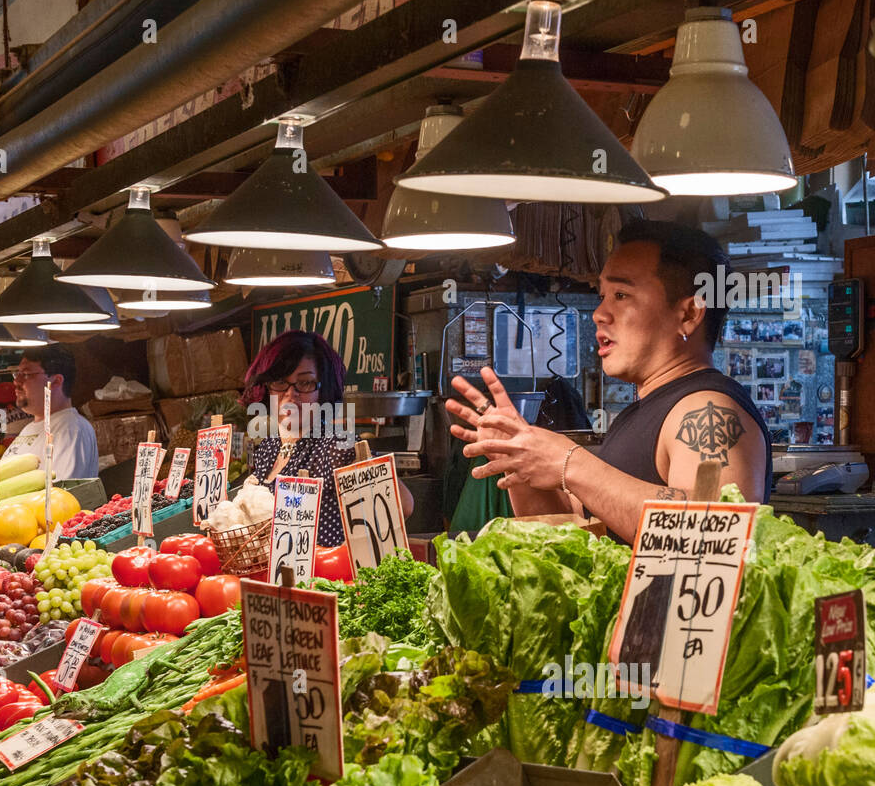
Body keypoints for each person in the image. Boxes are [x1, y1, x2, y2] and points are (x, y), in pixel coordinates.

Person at [447, 219, 772, 544]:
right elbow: (572, 536)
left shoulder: (707, 408)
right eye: (602, 295)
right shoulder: (641, 412)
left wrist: (569, 462)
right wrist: (515, 460)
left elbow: (713, 536)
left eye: (621, 294)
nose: (599, 313)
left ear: (688, 314)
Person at [242, 330, 413, 549]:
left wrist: (343, 552)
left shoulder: (338, 446)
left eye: (304, 383)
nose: (290, 395)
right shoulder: (269, 446)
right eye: (279, 382)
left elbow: (403, 505)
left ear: (323, 390)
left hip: (325, 579)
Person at [5, 344, 98, 479]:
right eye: (17, 373)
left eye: (25, 374)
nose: (16, 381)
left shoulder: (72, 429)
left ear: (55, 381)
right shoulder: (29, 428)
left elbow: (61, 494)